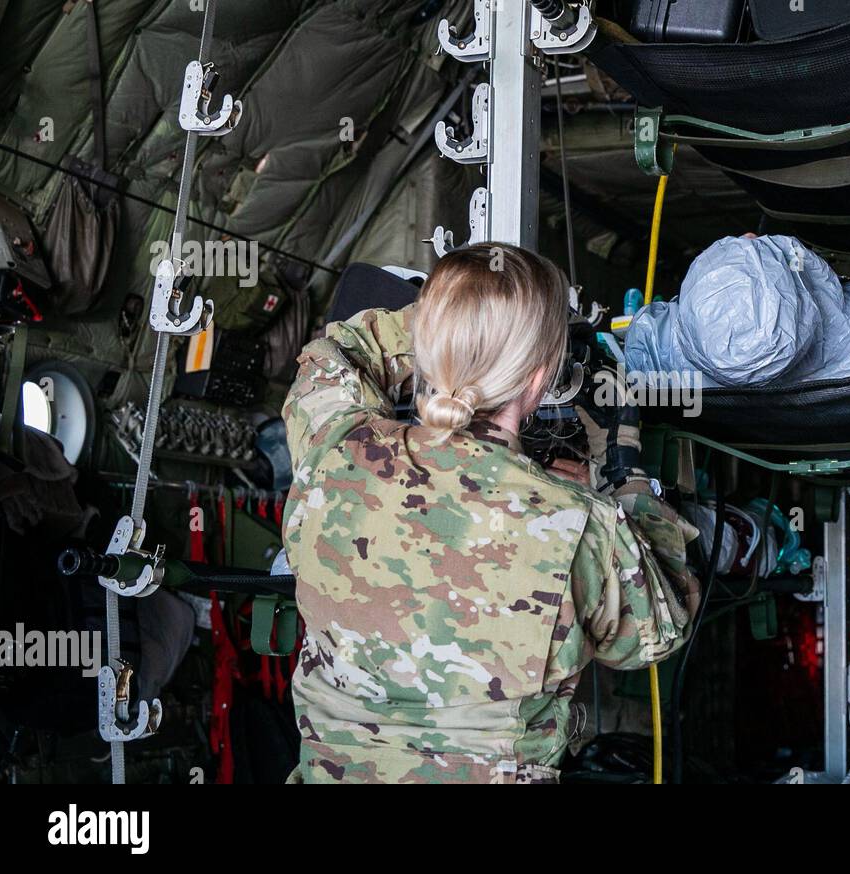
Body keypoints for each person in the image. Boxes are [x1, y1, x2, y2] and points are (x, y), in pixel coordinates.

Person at [280, 243, 700, 783]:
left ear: (429, 343)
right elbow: (658, 630)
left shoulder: (335, 451)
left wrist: (460, 328)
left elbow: (337, 351)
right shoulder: (575, 525)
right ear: (539, 378)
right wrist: (623, 476)